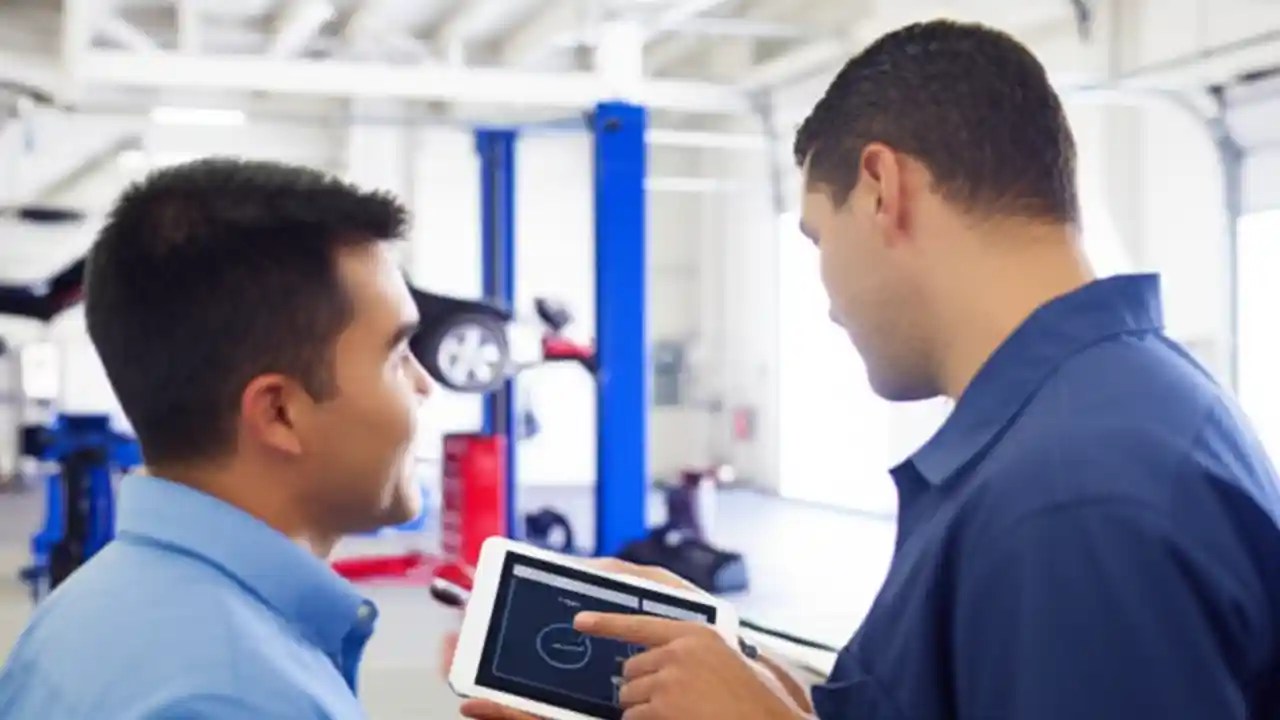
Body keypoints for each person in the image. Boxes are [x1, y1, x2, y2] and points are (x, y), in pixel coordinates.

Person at [457, 19, 1280, 720]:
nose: (827, 300)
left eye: (816, 237)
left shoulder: (1076, 494)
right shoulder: (1094, 424)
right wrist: (780, 691)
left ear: (884, 188)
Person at [0, 158, 433, 718]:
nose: (424, 384)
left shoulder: (80, 616)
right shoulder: (239, 695)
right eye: (397, 355)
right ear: (279, 413)